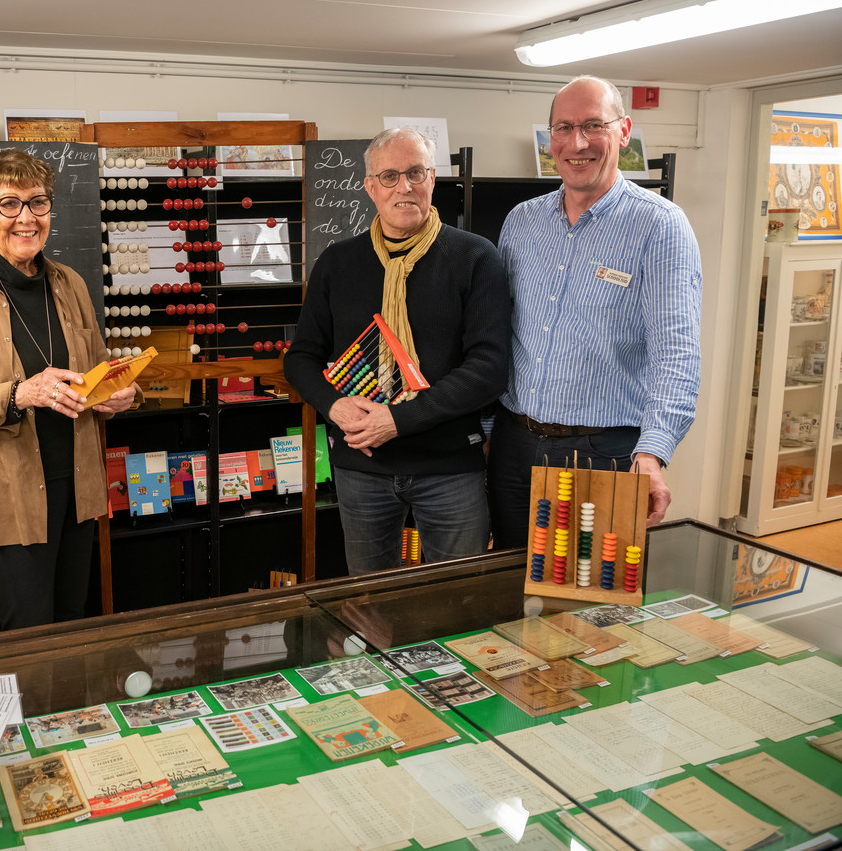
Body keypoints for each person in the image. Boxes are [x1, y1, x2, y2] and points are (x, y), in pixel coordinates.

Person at [0, 149, 137, 629]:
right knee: (31, 632)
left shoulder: (70, 284)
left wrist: (119, 395)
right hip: (8, 500)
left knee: (72, 619)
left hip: (77, 490)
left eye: (37, 203)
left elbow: (97, 373)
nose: (26, 218)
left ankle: (70, 710)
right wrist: (20, 395)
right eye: (9, 204)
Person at [487, 75, 702, 550]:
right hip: (513, 446)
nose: (576, 143)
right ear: (549, 139)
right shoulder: (521, 222)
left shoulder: (660, 226)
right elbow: (496, 337)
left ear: (623, 132)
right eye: (563, 128)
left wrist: (652, 453)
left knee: (588, 601)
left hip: (604, 453)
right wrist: (484, 432)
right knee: (502, 589)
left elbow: (678, 354)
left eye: (592, 126)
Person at [284, 127, 511, 575]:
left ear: (433, 179)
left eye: (415, 173)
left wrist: (397, 421)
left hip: (450, 470)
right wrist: (336, 407)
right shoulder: (337, 262)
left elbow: (489, 369)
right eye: (389, 176)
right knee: (370, 603)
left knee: (457, 599)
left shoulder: (476, 258)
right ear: (370, 187)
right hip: (362, 467)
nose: (403, 187)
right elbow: (301, 357)